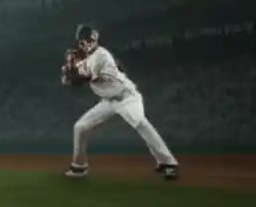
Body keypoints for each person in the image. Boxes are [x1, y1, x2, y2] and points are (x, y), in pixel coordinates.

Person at [63, 24, 179, 181]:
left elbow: (81, 79)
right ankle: (79, 166)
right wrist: (70, 70)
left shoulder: (101, 55)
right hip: (108, 101)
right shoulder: (87, 58)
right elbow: (73, 78)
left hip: (126, 98)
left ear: (94, 40)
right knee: (80, 127)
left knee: (141, 123)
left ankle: (168, 162)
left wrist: (71, 71)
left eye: (88, 40)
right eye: (83, 41)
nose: (86, 43)